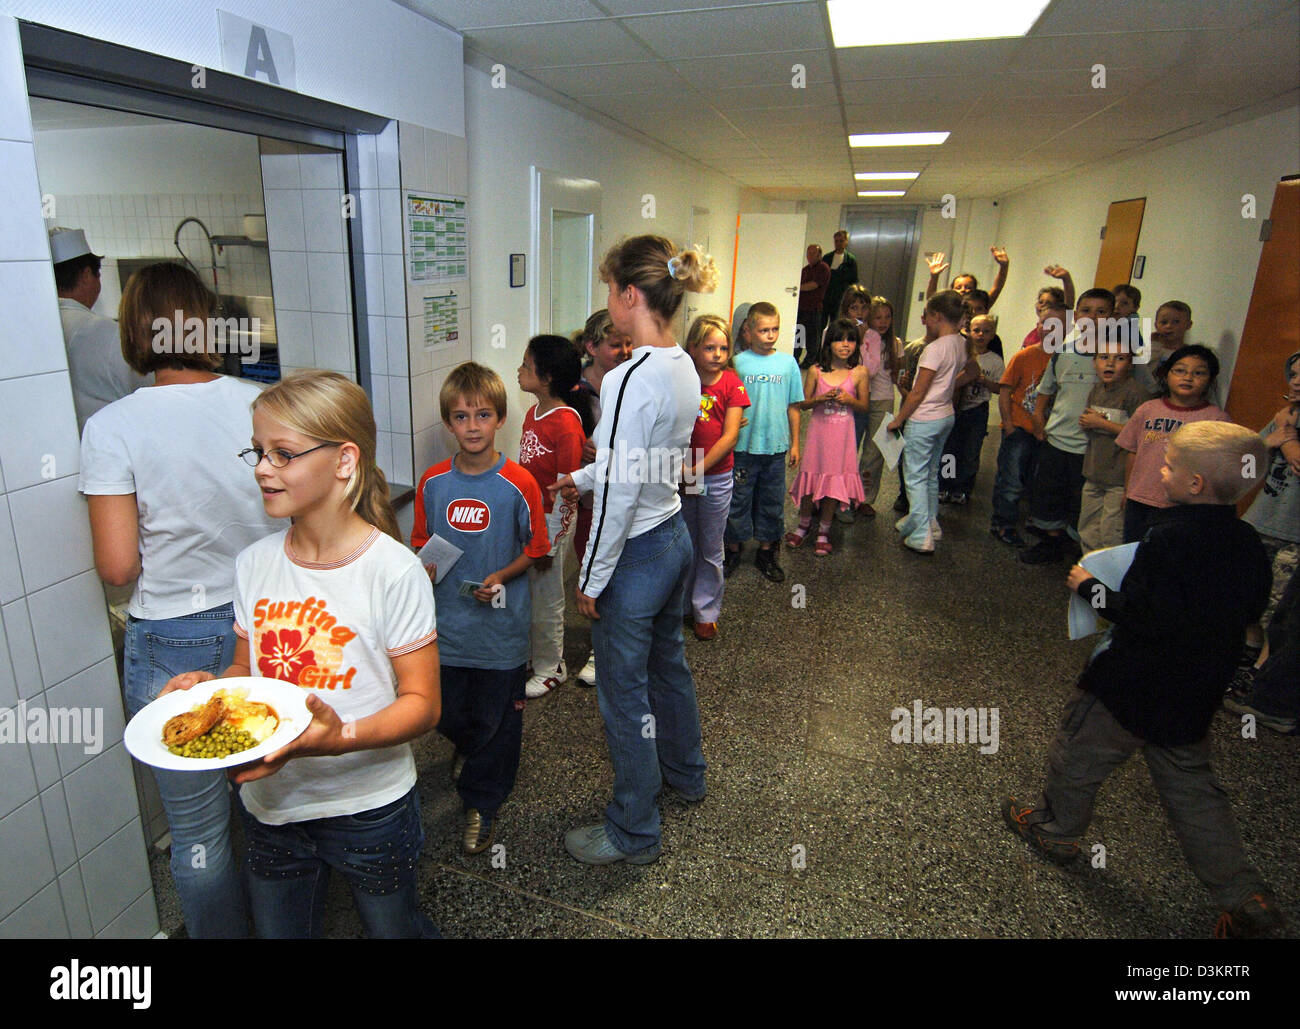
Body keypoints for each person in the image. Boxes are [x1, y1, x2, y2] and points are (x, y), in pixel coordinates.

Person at [161, 370, 441, 939]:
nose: (263, 468)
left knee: (395, 929)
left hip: (370, 806)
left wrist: (340, 737)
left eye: (283, 454)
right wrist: (210, 693)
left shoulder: (392, 572)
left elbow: (423, 704)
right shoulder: (254, 564)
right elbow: (246, 669)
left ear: (344, 461)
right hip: (272, 807)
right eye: (259, 452)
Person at [1003, 422, 1285, 939]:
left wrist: (1089, 588)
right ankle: (1245, 895)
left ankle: (1056, 830)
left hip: (1126, 686)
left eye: (1171, 465)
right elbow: (1249, 611)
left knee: (1077, 757)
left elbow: (1140, 614)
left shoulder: (1167, 538)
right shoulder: (1247, 542)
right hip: (1194, 694)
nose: (1161, 470)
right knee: (1195, 793)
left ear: (1195, 484)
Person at [79, 262, 279, 938]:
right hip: (262, 621)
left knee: (197, 833)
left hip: (174, 639)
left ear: (135, 330)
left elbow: (116, 565)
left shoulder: (112, 427)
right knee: (263, 792)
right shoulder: (262, 404)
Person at [552, 235, 714, 865]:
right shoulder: (679, 365)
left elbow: (622, 492)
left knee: (622, 694)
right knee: (667, 668)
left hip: (636, 551)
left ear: (627, 294)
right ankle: (687, 774)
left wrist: (590, 580)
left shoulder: (625, 378)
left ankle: (634, 829)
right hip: (673, 535)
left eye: (609, 291)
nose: (608, 306)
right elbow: (638, 463)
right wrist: (582, 477)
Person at [412, 363, 549, 854]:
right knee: (444, 711)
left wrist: (500, 576)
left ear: (500, 418)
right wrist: (421, 569)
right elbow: (422, 541)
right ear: (449, 424)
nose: (472, 426)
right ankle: (468, 746)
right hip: (445, 628)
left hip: (500, 629)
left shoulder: (519, 483)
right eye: (461, 416)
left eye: (483, 415)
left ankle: (483, 802)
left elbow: (537, 548)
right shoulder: (432, 483)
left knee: (500, 719)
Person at [516, 335, 592, 697]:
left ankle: (552, 666)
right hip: (531, 521)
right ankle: (536, 656)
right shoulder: (534, 413)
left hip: (551, 523)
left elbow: (569, 489)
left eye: (526, 365)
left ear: (545, 378)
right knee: (531, 594)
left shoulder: (565, 423)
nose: (519, 371)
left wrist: (549, 540)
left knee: (548, 598)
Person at [1019, 288, 1116, 564]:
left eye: (1101, 312)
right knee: (1049, 494)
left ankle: (1077, 549)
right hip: (1058, 440)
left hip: (1093, 447)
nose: (1092, 318)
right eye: (1086, 311)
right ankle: (1049, 543)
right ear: (1076, 316)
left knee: (1082, 500)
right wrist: (1039, 419)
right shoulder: (1063, 351)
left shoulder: (1118, 357)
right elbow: (1047, 390)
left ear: (1112, 318)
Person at [571, 311, 633, 687]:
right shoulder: (575, 392)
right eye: (616, 344)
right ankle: (600, 645)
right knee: (591, 566)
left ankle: (609, 648)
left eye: (628, 342)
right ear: (592, 347)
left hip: (623, 489)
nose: (625, 350)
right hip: (588, 493)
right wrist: (581, 451)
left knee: (619, 569)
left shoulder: (632, 381)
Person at [1233, 351, 1300, 687]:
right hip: (1260, 521)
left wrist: (1287, 439)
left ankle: (1260, 671)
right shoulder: (1284, 418)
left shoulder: (1287, 423)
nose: (1297, 381)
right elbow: (1244, 469)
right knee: (1248, 594)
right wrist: (1267, 443)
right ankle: (1249, 648)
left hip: (1294, 534)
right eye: (1295, 374)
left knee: (1278, 607)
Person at [723, 301, 803, 582]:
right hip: (743, 447)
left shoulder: (788, 363)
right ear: (748, 331)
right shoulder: (736, 363)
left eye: (775, 329)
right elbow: (726, 401)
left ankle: (767, 551)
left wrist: (795, 444)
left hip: (775, 448)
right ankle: (733, 548)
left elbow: (794, 405)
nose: (770, 335)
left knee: (771, 500)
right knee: (738, 499)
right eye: (764, 330)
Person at [1117, 344, 1229, 544]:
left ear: (1210, 380)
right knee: (1133, 551)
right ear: (1166, 375)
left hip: (1184, 506)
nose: (1188, 377)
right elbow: (1132, 452)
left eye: (1199, 373)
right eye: (1180, 370)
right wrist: (1128, 490)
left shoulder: (1216, 420)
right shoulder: (1147, 409)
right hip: (1140, 499)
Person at [681, 314, 749, 640]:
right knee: (685, 541)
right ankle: (681, 605)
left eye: (723, 348)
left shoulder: (731, 382)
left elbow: (730, 436)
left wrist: (699, 468)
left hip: (715, 474)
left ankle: (705, 609)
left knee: (710, 544)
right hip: (685, 470)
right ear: (693, 348)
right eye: (710, 347)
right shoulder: (681, 379)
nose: (718, 355)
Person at [888, 290, 967, 554]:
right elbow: (969, 372)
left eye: (928, 316)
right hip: (946, 415)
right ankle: (929, 522)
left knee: (915, 476)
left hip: (925, 419)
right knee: (931, 472)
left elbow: (918, 392)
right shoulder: (961, 343)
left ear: (936, 315)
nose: (926, 322)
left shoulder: (934, 349)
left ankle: (921, 535)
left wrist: (899, 419)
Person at [50, 227, 148, 431]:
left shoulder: (37, 326)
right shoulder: (108, 333)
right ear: (86, 274)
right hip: (111, 445)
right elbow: (149, 389)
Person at [785, 318, 868, 555]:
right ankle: (803, 526)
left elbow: (864, 406)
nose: (845, 345)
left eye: (851, 340)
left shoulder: (860, 372)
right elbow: (801, 403)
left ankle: (824, 530)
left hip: (842, 439)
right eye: (839, 339)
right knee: (811, 481)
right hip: (818, 437)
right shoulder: (816, 370)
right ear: (828, 342)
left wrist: (850, 401)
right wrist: (820, 399)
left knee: (834, 483)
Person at [989, 302, 1056, 546]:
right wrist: (1008, 424)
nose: (1053, 329)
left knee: (1034, 481)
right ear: (1038, 326)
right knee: (1011, 480)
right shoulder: (1025, 356)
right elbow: (1005, 390)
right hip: (1019, 428)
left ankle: (1030, 521)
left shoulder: (1065, 358)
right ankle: (1003, 524)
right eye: (1047, 323)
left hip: (1047, 434)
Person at [1077, 339, 1148, 553]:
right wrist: (1090, 423)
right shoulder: (1097, 390)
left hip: (1118, 479)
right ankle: (1089, 576)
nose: (1110, 364)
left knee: (1111, 532)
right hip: (1094, 471)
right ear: (1094, 362)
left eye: (1119, 358)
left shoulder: (1136, 394)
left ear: (1130, 364)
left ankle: (1107, 581)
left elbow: (1143, 436)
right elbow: (1090, 425)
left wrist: (1102, 423)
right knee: (1088, 528)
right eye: (1104, 357)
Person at [939, 313, 1003, 506]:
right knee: (949, 450)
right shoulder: (960, 354)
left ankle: (962, 488)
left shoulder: (995, 361)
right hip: (956, 407)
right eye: (976, 330)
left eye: (986, 331)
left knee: (970, 452)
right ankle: (944, 485)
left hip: (977, 410)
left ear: (993, 335)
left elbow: (1000, 388)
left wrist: (985, 381)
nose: (981, 335)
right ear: (968, 331)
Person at [857, 296, 902, 517]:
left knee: (874, 454)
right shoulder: (861, 338)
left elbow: (898, 376)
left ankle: (865, 498)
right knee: (849, 448)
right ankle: (842, 495)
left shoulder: (896, 343)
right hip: (859, 398)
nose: (883, 321)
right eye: (878, 316)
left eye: (887, 316)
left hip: (883, 400)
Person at [924, 245, 1009, 308]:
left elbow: (996, 289)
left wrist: (1004, 266)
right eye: (958, 287)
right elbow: (931, 300)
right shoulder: (947, 307)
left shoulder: (980, 305)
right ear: (952, 289)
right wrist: (934, 277)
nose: (963, 290)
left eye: (968, 287)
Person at [796, 244, 830, 367]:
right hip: (801, 309)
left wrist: (798, 288)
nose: (809, 256)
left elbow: (814, 285)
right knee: (798, 335)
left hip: (814, 309)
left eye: (812, 253)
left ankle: (809, 362)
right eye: (808, 253)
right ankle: (795, 358)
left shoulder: (823, 268)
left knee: (812, 338)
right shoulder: (805, 270)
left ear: (819, 255)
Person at [821, 229, 859, 328]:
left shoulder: (850, 260)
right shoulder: (827, 258)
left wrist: (850, 299)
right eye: (836, 241)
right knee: (820, 324)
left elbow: (853, 281)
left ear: (846, 242)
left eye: (841, 241)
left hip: (840, 298)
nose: (838, 243)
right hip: (826, 297)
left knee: (836, 324)